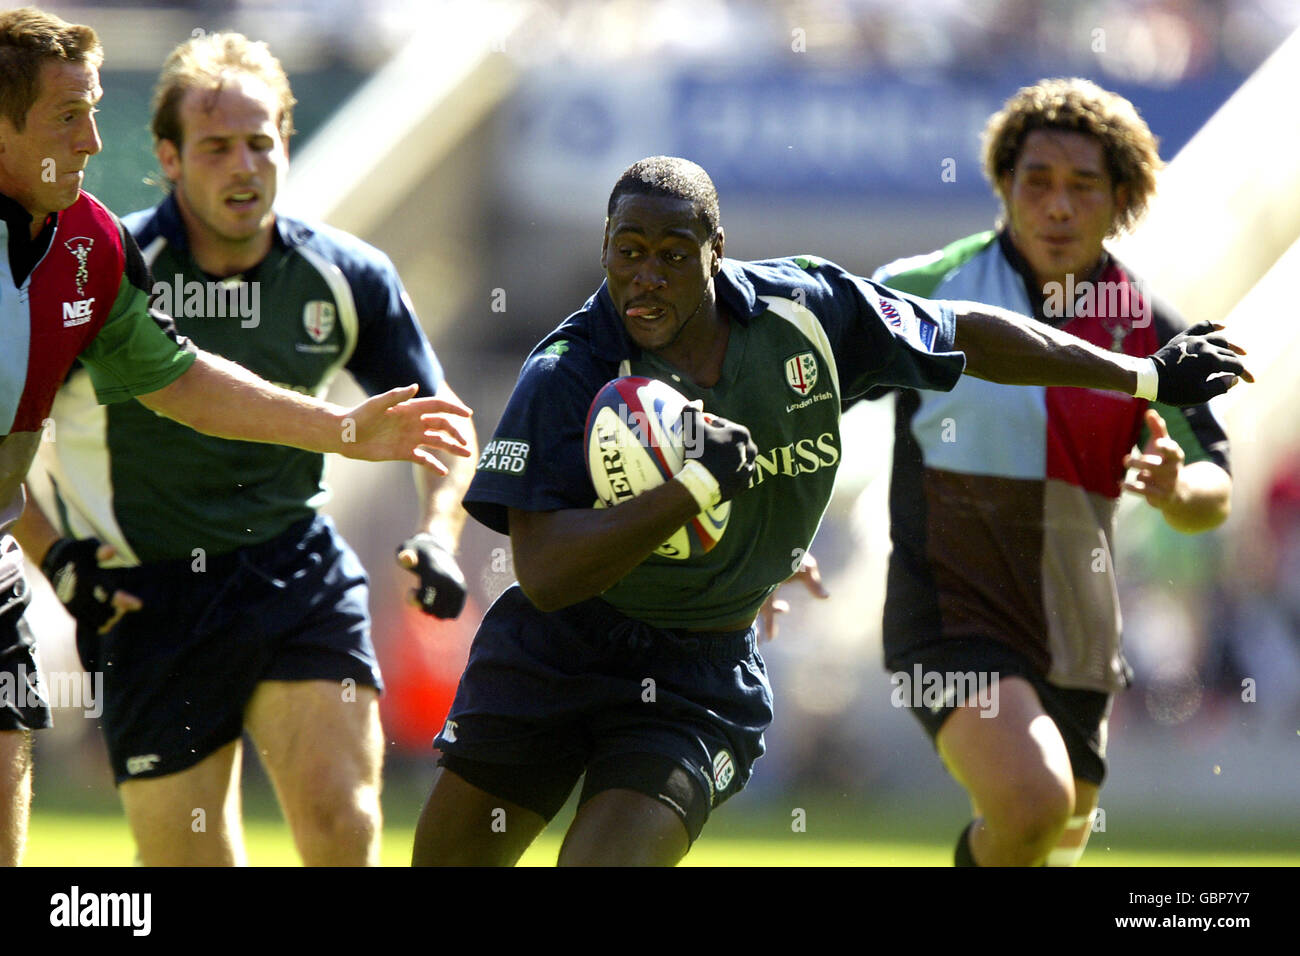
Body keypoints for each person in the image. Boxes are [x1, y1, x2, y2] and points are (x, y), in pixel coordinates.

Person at [409, 155, 1249, 866]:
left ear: (717, 251)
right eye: (627, 252)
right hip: (555, 655)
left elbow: (967, 332)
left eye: (673, 252)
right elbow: (546, 573)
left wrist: (1141, 375)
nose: (646, 276)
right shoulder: (565, 371)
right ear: (603, 248)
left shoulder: (809, 313)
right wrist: (693, 491)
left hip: (697, 676)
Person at [0, 7, 470, 867]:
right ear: (171, 160)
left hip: (293, 566)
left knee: (342, 820)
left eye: (261, 142)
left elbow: (434, 421)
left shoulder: (341, 272)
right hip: (149, 592)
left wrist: (427, 523)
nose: (244, 164)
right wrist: (61, 558)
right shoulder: (110, 255)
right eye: (216, 146)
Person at [870, 78, 1234, 866]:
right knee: (1035, 801)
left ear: (1123, 198)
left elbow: (1214, 492)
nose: (1058, 206)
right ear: (1004, 186)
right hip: (950, 617)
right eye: (1037, 182)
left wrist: (1177, 490)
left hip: (1078, 631)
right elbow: (805, 400)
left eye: (1083, 186)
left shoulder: (1151, 330)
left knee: (1038, 847)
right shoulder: (921, 293)